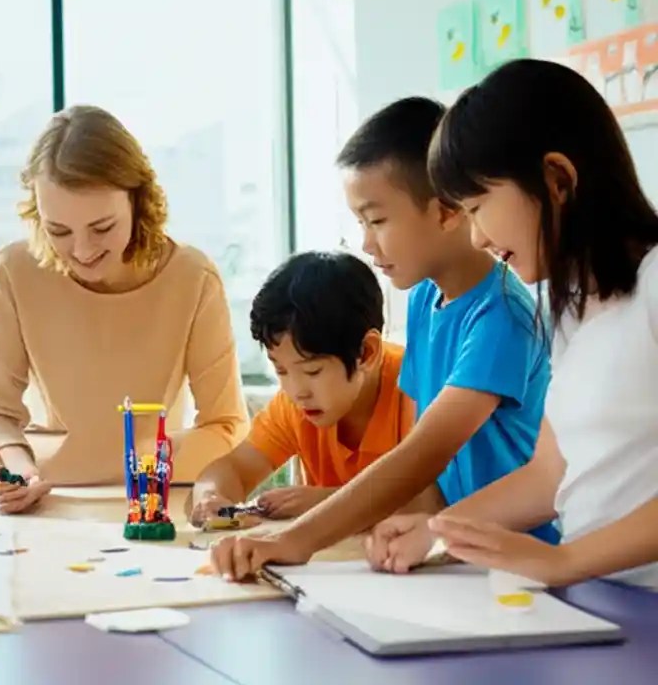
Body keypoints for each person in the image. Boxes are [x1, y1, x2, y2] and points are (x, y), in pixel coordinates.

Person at [210, 96, 554, 579]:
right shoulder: (423, 301)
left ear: (446, 211)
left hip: (522, 568)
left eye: (377, 220)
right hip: (457, 558)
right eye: (360, 224)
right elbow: (423, 473)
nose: (367, 244)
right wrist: (418, 525)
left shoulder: (501, 317)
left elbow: (421, 455)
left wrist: (297, 537)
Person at [365, 59, 658, 588]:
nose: (476, 237)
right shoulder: (570, 309)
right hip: (602, 597)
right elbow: (550, 474)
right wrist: (439, 530)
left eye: (477, 207)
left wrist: (564, 562)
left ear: (557, 180)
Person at [0, 104, 250, 514]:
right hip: (46, 501)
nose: (81, 251)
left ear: (138, 201)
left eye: (102, 228)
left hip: (155, 497)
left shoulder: (193, 278)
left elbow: (227, 426)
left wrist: (142, 464)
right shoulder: (14, 272)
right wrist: (19, 472)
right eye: (58, 230)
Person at [187, 251, 439, 526]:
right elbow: (233, 468)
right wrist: (211, 498)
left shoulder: (420, 389)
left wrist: (326, 502)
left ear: (367, 353)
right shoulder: (296, 404)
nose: (297, 391)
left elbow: (437, 502)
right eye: (280, 370)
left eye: (312, 371)